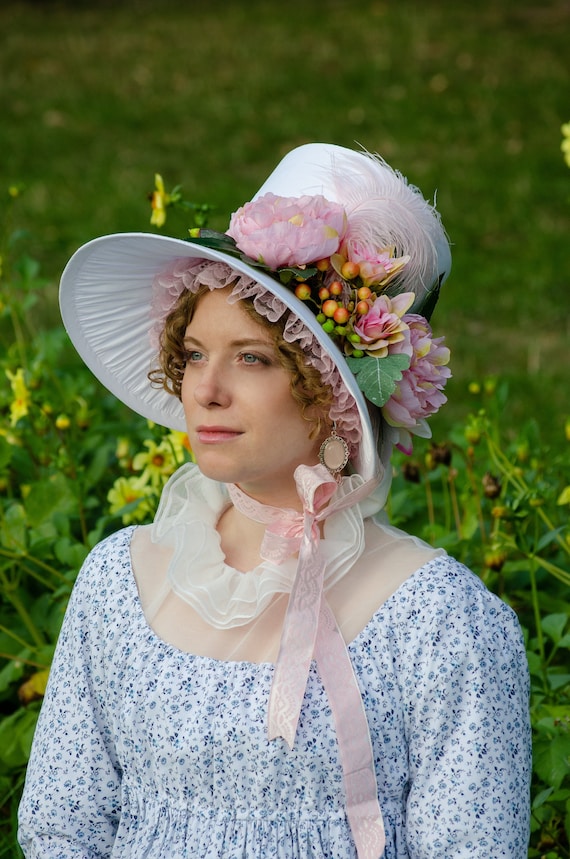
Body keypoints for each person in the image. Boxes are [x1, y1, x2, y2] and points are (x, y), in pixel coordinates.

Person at [18, 143, 531, 858]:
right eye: (195, 352)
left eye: (252, 357)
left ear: (331, 394)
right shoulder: (119, 584)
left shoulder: (442, 623)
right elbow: (59, 827)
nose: (206, 388)